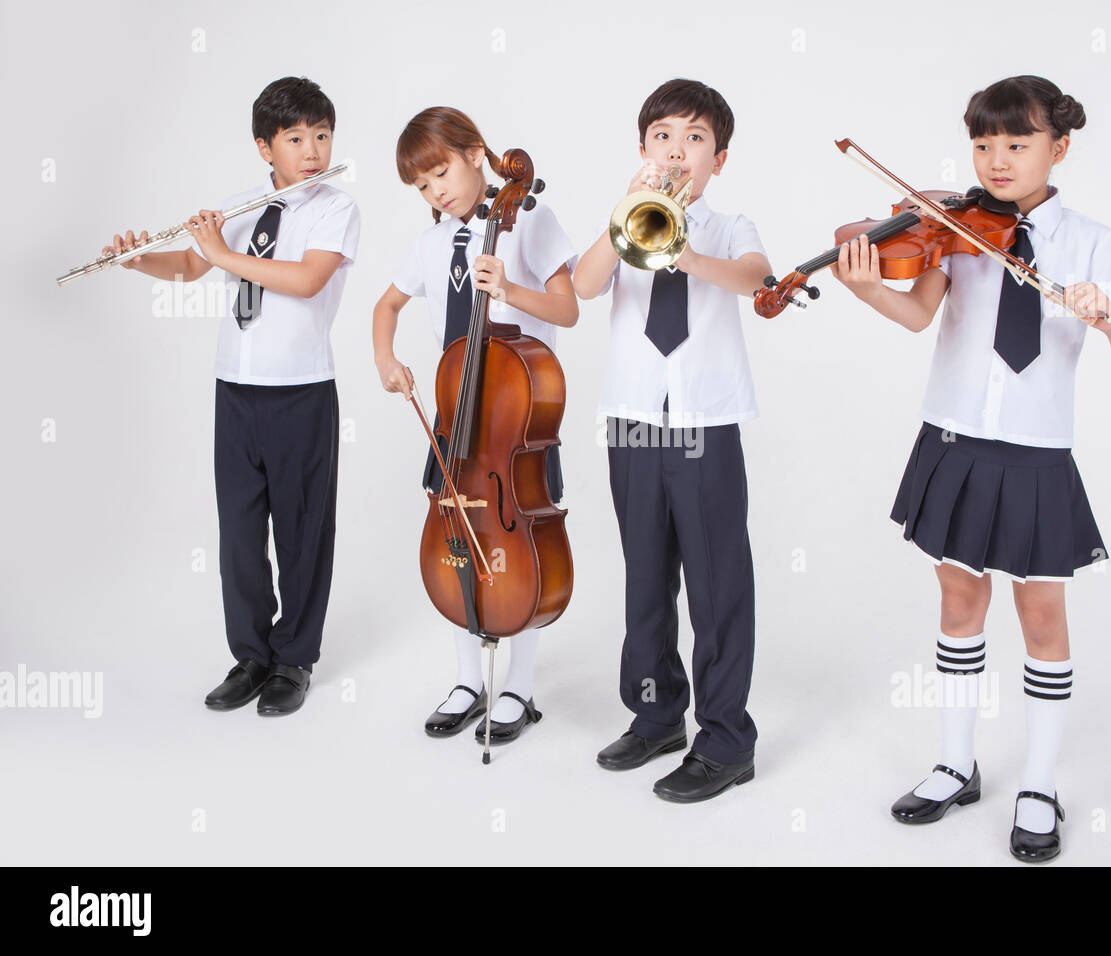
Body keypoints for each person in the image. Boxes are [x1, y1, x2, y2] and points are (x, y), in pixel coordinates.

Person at [831, 75, 1111, 861]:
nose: (998, 159)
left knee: (1040, 612)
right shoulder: (958, 229)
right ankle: (955, 761)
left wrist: (1110, 320)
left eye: (1017, 143)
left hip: (1035, 447)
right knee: (958, 593)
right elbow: (916, 315)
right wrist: (870, 286)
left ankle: (1039, 781)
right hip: (952, 436)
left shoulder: (1095, 242)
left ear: (1059, 147)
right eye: (984, 143)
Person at [106, 76, 360, 717]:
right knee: (240, 533)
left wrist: (221, 251)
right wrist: (141, 260)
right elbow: (193, 267)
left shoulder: (335, 208)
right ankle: (251, 655)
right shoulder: (241, 205)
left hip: (300, 391)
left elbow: (305, 281)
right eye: (296, 138)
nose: (312, 151)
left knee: (301, 531)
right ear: (264, 146)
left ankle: (294, 660)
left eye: (322, 136)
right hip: (235, 390)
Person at [574, 78, 772, 803]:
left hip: (705, 421)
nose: (677, 150)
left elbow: (755, 280)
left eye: (695, 139)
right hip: (631, 418)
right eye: (664, 136)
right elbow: (587, 285)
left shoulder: (729, 227)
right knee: (645, 574)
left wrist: (680, 252)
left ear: (718, 158)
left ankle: (724, 740)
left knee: (717, 586)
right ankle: (657, 715)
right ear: (642, 149)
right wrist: (628, 213)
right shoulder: (628, 221)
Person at [372, 107, 578, 745]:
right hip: (452, 410)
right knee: (456, 535)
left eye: (441, 172)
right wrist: (387, 358)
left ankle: (518, 684)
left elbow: (567, 309)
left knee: (523, 546)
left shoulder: (528, 217)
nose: (437, 191)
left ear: (476, 153)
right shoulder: (432, 243)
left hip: (515, 420)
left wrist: (512, 291)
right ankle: (468, 679)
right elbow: (388, 305)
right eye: (423, 185)